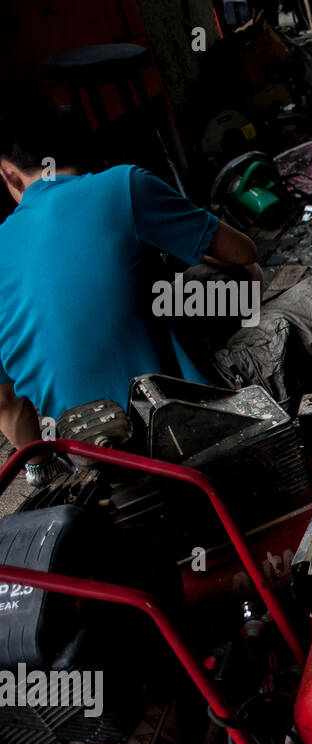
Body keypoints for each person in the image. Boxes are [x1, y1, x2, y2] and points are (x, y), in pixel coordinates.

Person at [0, 103, 262, 484]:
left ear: (9, 175)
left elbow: (6, 404)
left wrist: (41, 469)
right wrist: (178, 235)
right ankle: (226, 381)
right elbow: (244, 253)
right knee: (242, 276)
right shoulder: (122, 184)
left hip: (82, 451)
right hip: (172, 423)